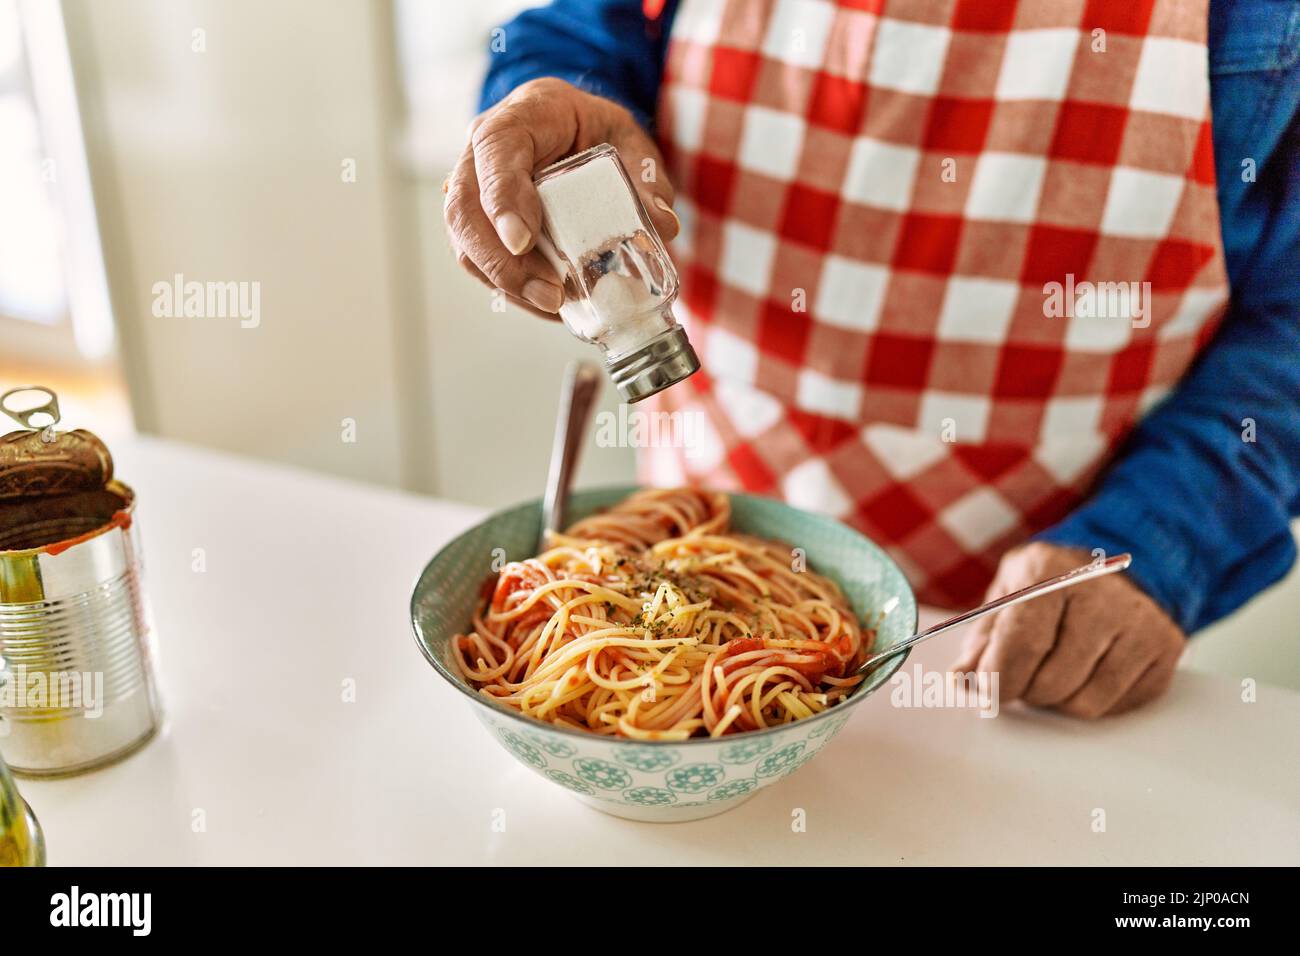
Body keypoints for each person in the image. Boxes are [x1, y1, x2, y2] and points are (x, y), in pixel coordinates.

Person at [443, 0, 1299, 717]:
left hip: (1024, 656)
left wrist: (1160, 536)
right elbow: (579, 31)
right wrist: (553, 106)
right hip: (690, 524)